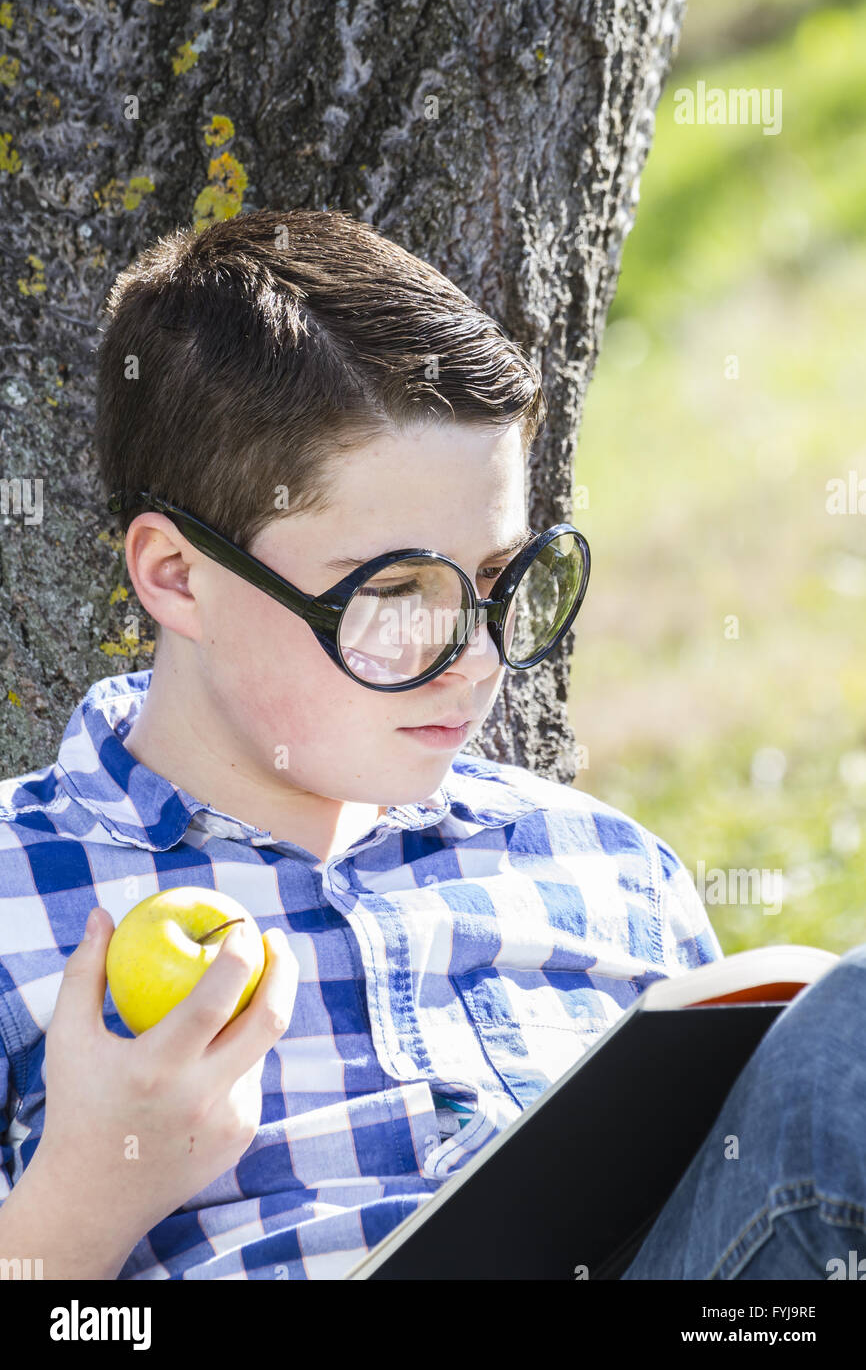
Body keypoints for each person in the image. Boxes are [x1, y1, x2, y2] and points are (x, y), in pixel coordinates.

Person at [0, 208, 853, 1283]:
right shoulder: (18, 890)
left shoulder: (604, 869)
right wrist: (85, 1196)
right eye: (394, 592)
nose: (475, 660)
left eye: (499, 582)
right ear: (177, 576)